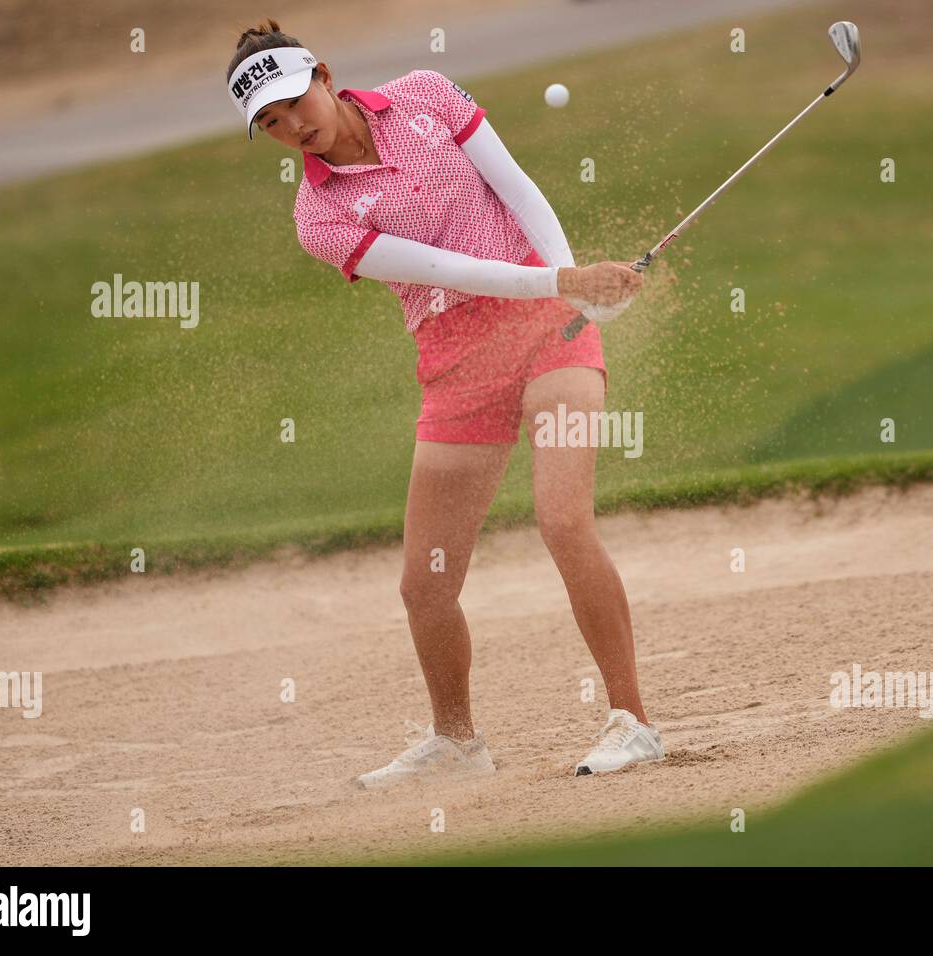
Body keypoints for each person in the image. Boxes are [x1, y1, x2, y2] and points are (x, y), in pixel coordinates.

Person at [225, 20, 663, 786]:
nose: (294, 126)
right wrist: (569, 283)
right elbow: (446, 269)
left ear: (323, 75)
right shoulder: (318, 218)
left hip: (548, 332)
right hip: (455, 357)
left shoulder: (426, 95)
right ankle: (457, 744)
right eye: (270, 123)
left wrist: (571, 289)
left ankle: (631, 721)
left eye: (295, 102)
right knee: (425, 584)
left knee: (562, 518)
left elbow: (518, 189)